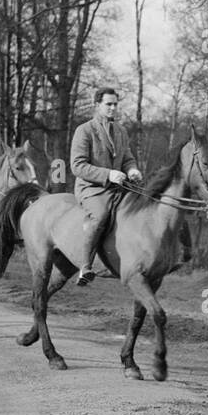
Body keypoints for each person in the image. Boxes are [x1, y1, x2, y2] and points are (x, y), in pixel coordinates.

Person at [69, 87, 143, 285]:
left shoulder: (121, 130)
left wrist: (133, 170)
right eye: (108, 104)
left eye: (115, 104)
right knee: (100, 215)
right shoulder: (84, 130)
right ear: (97, 105)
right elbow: (77, 166)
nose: (112, 108)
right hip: (92, 189)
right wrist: (108, 174)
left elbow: (127, 158)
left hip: (118, 188)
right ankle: (85, 266)